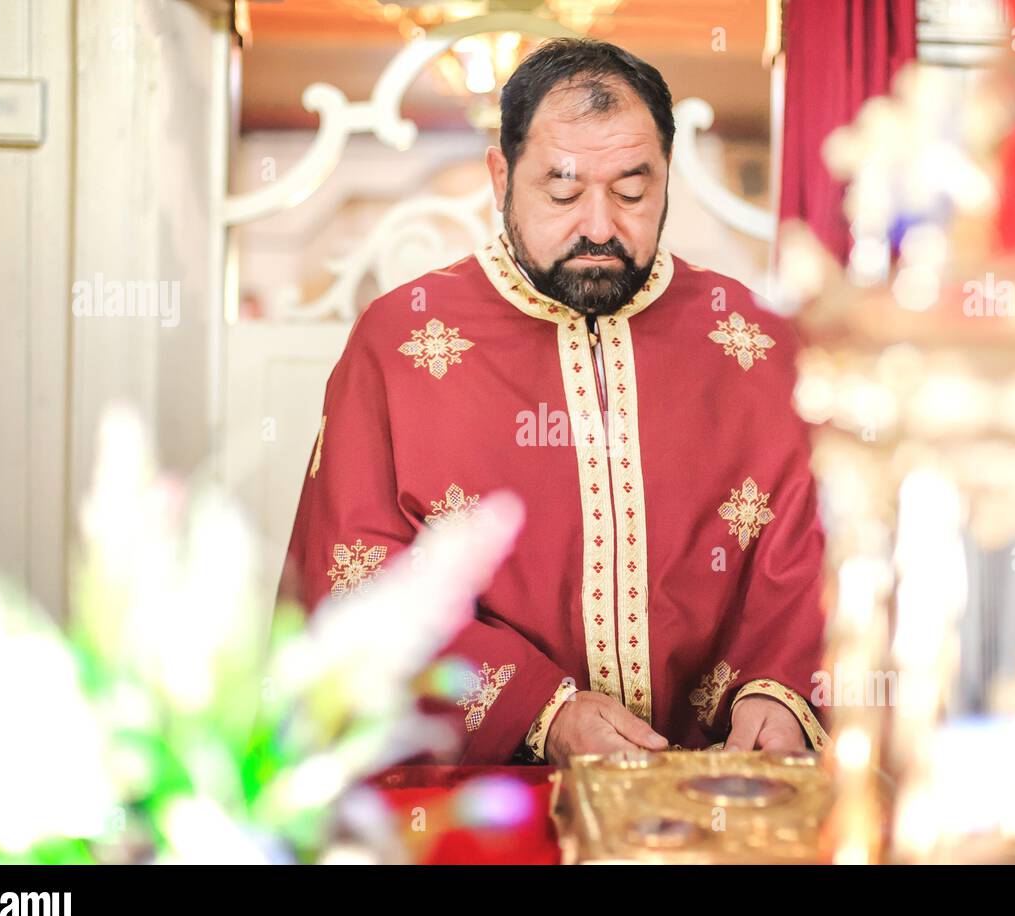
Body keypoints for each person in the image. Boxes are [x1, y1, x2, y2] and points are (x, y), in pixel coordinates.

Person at [279, 38, 829, 765]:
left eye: (633, 191)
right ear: (500, 175)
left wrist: (779, 687)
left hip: (707, 797)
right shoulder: (398, 342)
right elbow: (351, 576)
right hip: (482, 803)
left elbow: (818, 539)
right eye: (562, 192)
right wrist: (542, 708)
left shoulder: (756, 342)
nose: (599, 226)